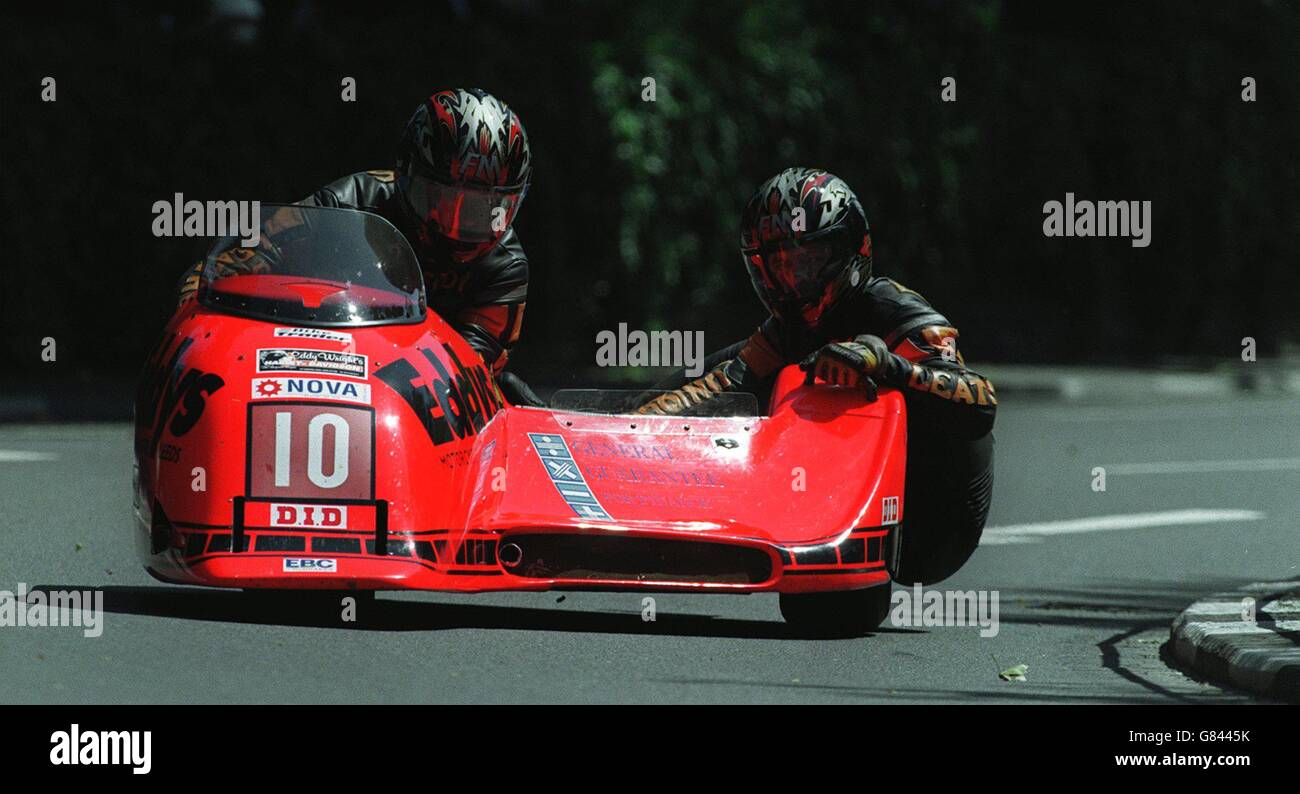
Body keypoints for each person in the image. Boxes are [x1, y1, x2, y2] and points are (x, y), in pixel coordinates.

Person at [638, 167, 996, 585]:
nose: (794, 280)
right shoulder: (785, 332)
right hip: (821, 505)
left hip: (931, 517)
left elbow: (981, 401)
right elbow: (722, 383)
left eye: (808, 261)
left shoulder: (894, 309)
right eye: (781, 264)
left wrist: (887, 367)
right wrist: (640, 427)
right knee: (720, 368)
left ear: (848, 250)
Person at [177, 87, 541, 404]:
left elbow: (469, 369)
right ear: (406, 174)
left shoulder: (504, 265)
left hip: (415, 395)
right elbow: (242, 255)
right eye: (442, 200)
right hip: (316, 370)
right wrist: (197, 314)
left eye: (482, 208)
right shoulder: (351, 201)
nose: (458, 226)